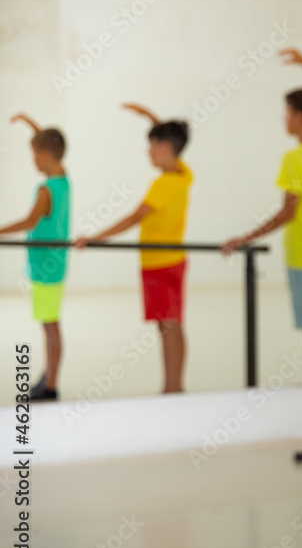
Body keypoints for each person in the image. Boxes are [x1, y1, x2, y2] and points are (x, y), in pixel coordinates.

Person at [223, 48, 302, 383]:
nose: (283, 119)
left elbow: (287, 213)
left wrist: (244, 238)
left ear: (300, 117)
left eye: (287, 113)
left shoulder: (293, 159)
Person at [75, 104, 193, 394]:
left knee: (167, 326)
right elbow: (172, 140)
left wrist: (94, 238)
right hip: (173, 261)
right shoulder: (183, 173)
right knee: (171, 324)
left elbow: (133, 217)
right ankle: (174, 386)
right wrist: (151, 118)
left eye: (151, 146)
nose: (147, 152)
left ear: (164, 147)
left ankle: (172, 389)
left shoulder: (162, 185)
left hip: (159, 264)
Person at [0, 113, 70, 401]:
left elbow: (29, 222)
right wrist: (31, 123)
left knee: (50, 326)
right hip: (54, 264)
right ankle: (49, 374)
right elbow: (52, 143)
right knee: (50, 324)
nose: (32, 160)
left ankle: (51, 384)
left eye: (33, 154)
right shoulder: (62, 178)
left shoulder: (45, 190)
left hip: (45, 268)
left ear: (44, 154)